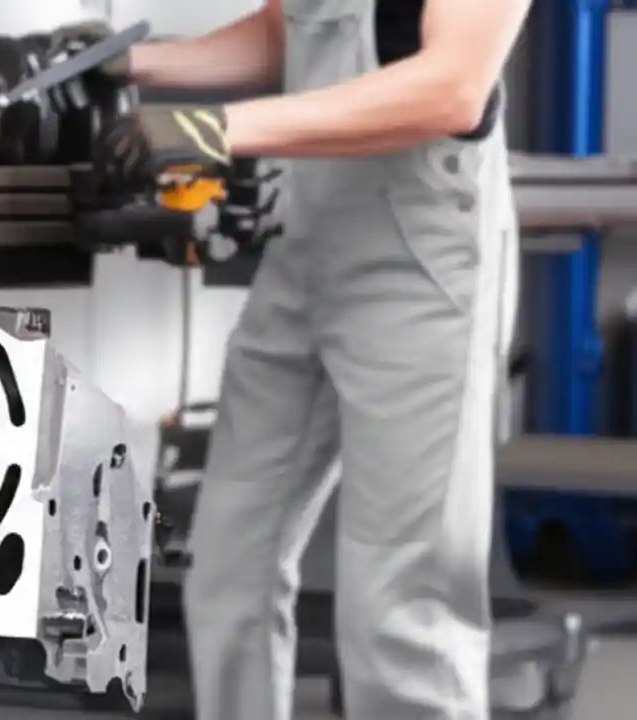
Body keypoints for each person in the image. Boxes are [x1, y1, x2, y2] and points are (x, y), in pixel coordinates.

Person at [52, 0, 530, 718]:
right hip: (308, 243)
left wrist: (217, 127)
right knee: (226, 573)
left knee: (400, 610)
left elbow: (452, 86)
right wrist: (138, 61)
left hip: (418, 258)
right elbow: (295, 26)